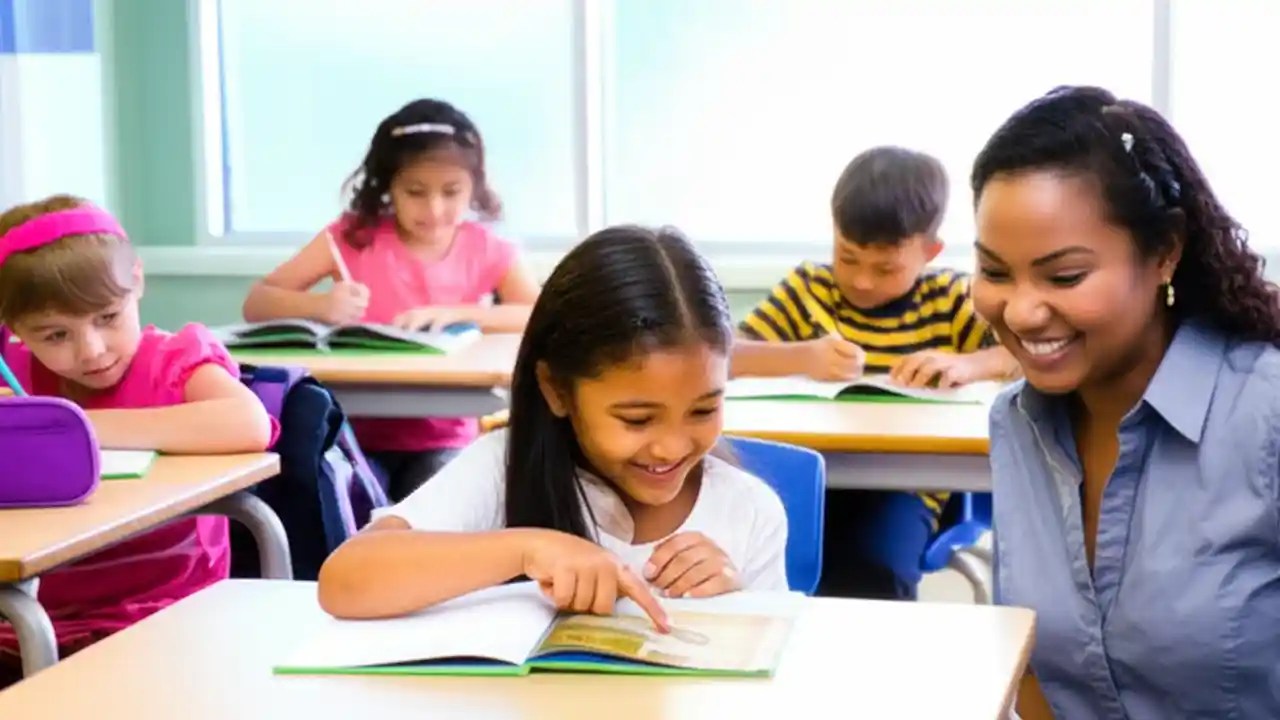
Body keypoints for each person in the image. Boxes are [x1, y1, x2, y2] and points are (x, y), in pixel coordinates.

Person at [971, 85, 1280, 719]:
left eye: (1065, 277)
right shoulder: (1016, 423)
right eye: (996, 273)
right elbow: (1032, 668)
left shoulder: (1263, 413)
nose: (1022, 311)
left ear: (1165, 251)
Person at [317, 225, 789, 626]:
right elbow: (345, 580)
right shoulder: (503, 470)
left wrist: (738, 604)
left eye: (704, 410)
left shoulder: (749, 513)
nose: (669, 447)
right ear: (557, 390)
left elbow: (776, 680)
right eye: (637, 419)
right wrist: (527, 549)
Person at [0, 195, 275, 686]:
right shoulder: (16, 376)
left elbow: (248, 424)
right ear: (14, 329)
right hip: (33, 618)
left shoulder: (174, 360)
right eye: (55, 335)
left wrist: (79, 428)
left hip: (163, 613)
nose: (92, 351)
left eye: (107, 317)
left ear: (138, 281)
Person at [734, 145, 1016, 600]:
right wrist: (801, 357)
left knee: (872, 569)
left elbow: (1020, 355)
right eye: (847, 258)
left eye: (886, 267)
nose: (862, 281)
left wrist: (968, 363)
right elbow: (722, 356)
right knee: (763, 560)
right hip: (810, 479)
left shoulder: (949, 298)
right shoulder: (810, 289)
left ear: (930, 250)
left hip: (908, 486)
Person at [242, 98, 539, 502]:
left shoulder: (485, 247)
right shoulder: (350, 238)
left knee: (437, 511)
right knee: (341, 504)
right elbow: (257, 302)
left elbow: (537, 314)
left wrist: (457, 313)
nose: (434, 209)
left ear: (474, 186)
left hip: (443, 440)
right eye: (415, 192)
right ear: (388, 186)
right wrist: (320, 307)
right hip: (351, 439)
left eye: (451, 192)